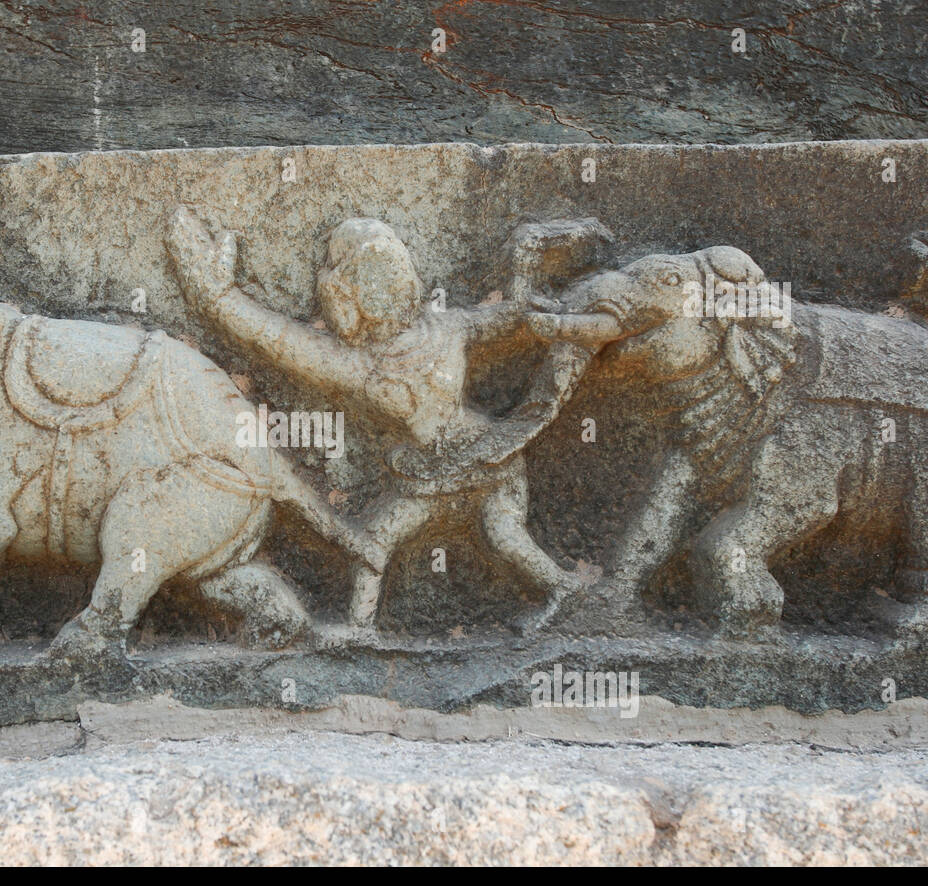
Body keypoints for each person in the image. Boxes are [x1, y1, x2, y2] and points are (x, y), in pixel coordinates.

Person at [166, 208, 611, 636]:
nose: (388, 282)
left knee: (491, 536)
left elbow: (517, 317)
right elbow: (276, 338)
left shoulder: (437, 333)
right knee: (404, 538)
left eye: (389, 266)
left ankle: (561, 594)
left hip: (484, 459)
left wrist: (557, 294)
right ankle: (364, 629)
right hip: (439, 469)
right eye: (375, 271)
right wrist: (219, 300)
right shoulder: (375, 356)